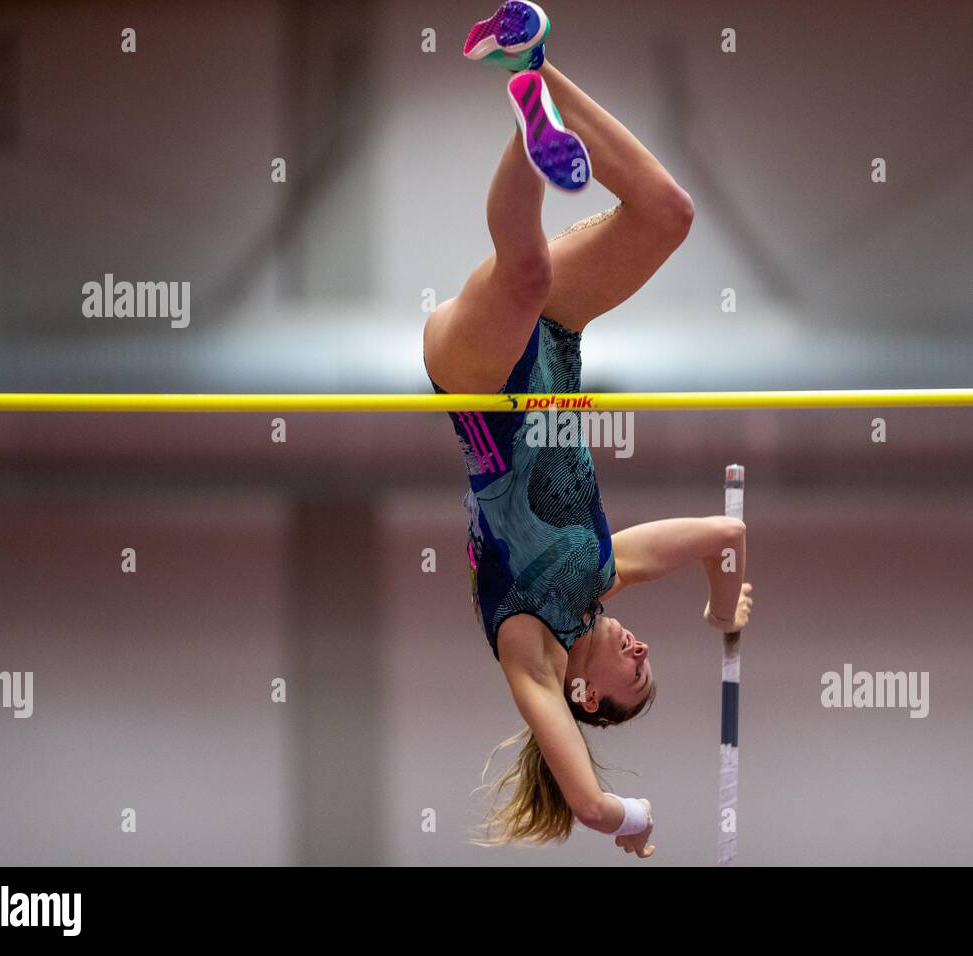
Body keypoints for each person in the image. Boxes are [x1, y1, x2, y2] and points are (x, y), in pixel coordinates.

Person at [423, 1, 754, 859]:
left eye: (634, 675)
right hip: (555, 355)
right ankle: (529, 68)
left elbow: (593, 804)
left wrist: (634, 826)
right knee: (666, 214)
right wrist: (724, 613)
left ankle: (533, 123)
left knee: (524, 270)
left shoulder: (526, 648)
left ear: (585, 699)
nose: (642, 650)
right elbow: (726, 533)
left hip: (481, 391)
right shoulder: (607, 571)